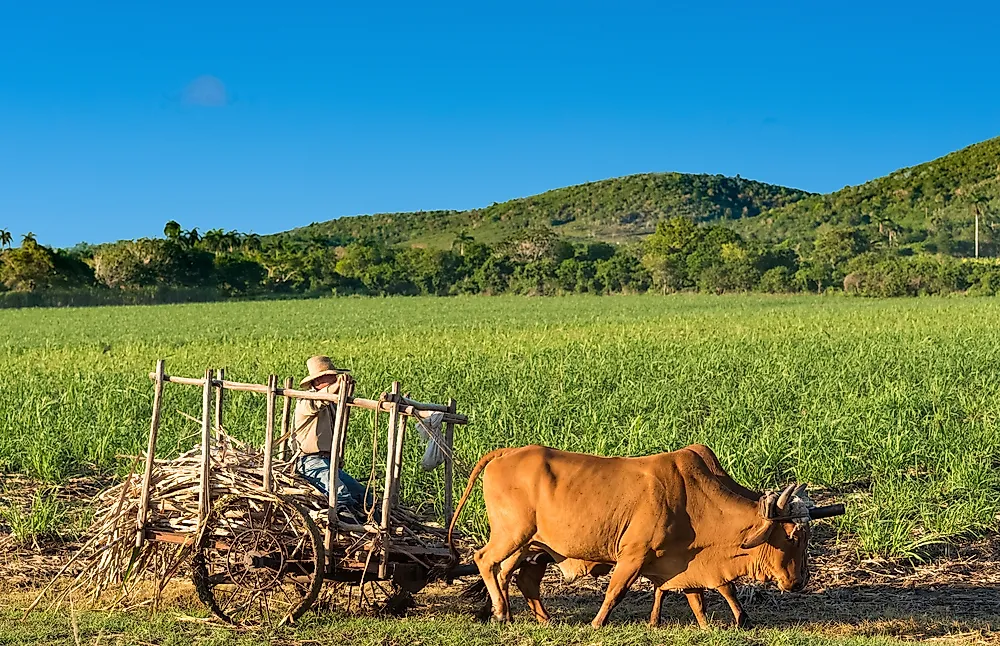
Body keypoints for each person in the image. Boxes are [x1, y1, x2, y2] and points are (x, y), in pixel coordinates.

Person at [293, 355, 370, 523]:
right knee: (340, 494)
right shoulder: (306, 400)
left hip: (328, 461)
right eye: (331, 376)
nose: (335, 378)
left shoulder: (332, 404)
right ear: (319, 380)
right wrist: (337, 386)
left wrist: (345, 387)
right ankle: (351, 532)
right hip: (310, 462)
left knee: (364, 496)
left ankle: (375, 525)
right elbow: (320, 400)